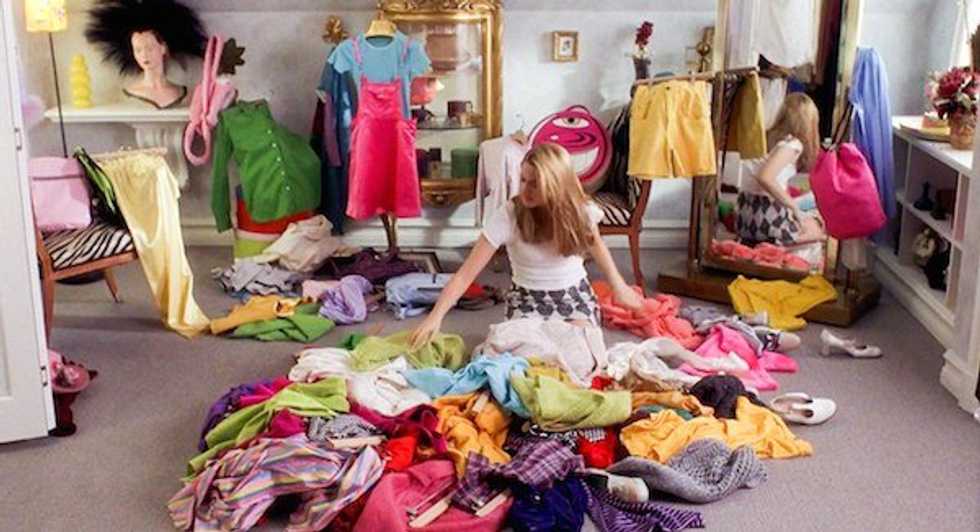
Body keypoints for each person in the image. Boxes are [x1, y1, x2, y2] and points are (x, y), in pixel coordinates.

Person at [410, 143, 644, 347]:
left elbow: (597, 247)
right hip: (528, 301)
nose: (525, 190)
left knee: (579, 355)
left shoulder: (581, 211)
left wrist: (620, 287)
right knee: (524, 360)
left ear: (556, 184)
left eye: (535, 184)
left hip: (573, 298)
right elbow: (465, 275)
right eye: (523, 180)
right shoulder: (509, 215)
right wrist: (435, 317)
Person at [736, 93, 826, 245]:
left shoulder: (766, 137)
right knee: (819, 228)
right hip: (765, 218)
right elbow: (765, 177)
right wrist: (793, 207)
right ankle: (780, 241)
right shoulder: (793, 144)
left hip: (745, 217)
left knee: (807, 208)